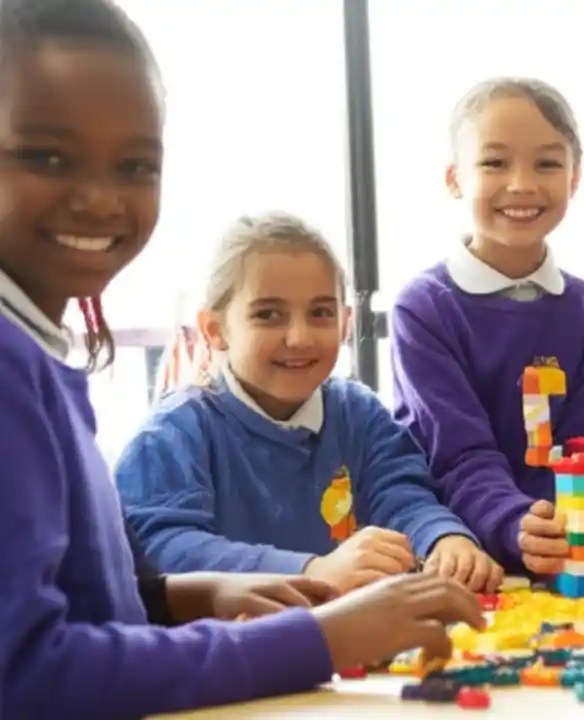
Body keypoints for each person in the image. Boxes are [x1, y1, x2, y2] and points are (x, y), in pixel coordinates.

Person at [0, 2, 482, 716]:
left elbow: (87, 592)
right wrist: (316, 635)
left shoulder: (34, 349)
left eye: (136, 165)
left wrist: (177, 596)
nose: (98, 198)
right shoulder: (20, 374)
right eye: (45, 156)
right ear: (215, 328)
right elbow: (26, 675)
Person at [117, 212, 502, 593]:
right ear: (215, 330)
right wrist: (310, 571)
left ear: (346, 323)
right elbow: (160, 549)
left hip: (347, 640)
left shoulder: (359, 413)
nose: (300, 337)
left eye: (320, 313)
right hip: (230, 647)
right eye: (268, 315)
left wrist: (444, 539)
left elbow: (402, 495)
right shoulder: (173, 433)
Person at [389, 77, 584, 576]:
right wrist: (517, 522)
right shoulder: (424, 309)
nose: (522, 184)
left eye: (547, 164)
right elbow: (457, 454)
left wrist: (566, 523)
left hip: (566, 551)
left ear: (574, 179)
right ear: (454, 178)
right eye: (494, 162)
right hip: (462, 559)